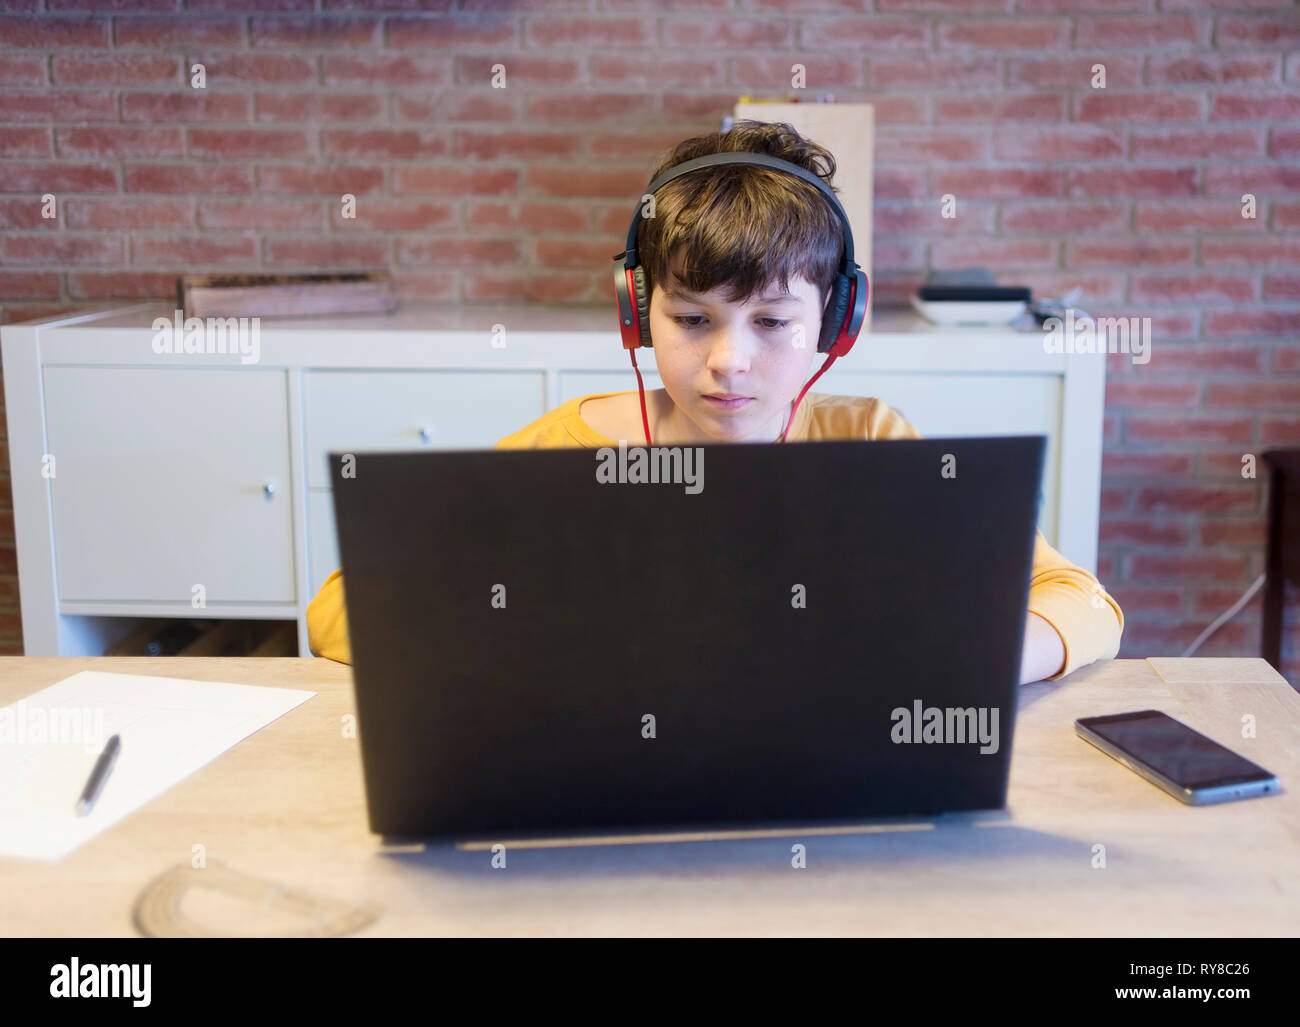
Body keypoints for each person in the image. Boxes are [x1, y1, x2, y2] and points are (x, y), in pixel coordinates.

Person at [307, 120, 1123, 682]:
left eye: (772, 321)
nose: (729, 362)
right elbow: (339, 605)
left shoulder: (874, 440)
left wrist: (981, 652)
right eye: (692, 319)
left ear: (837, 322)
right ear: (637, 312)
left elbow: (1081, 601)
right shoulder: (563, 449)